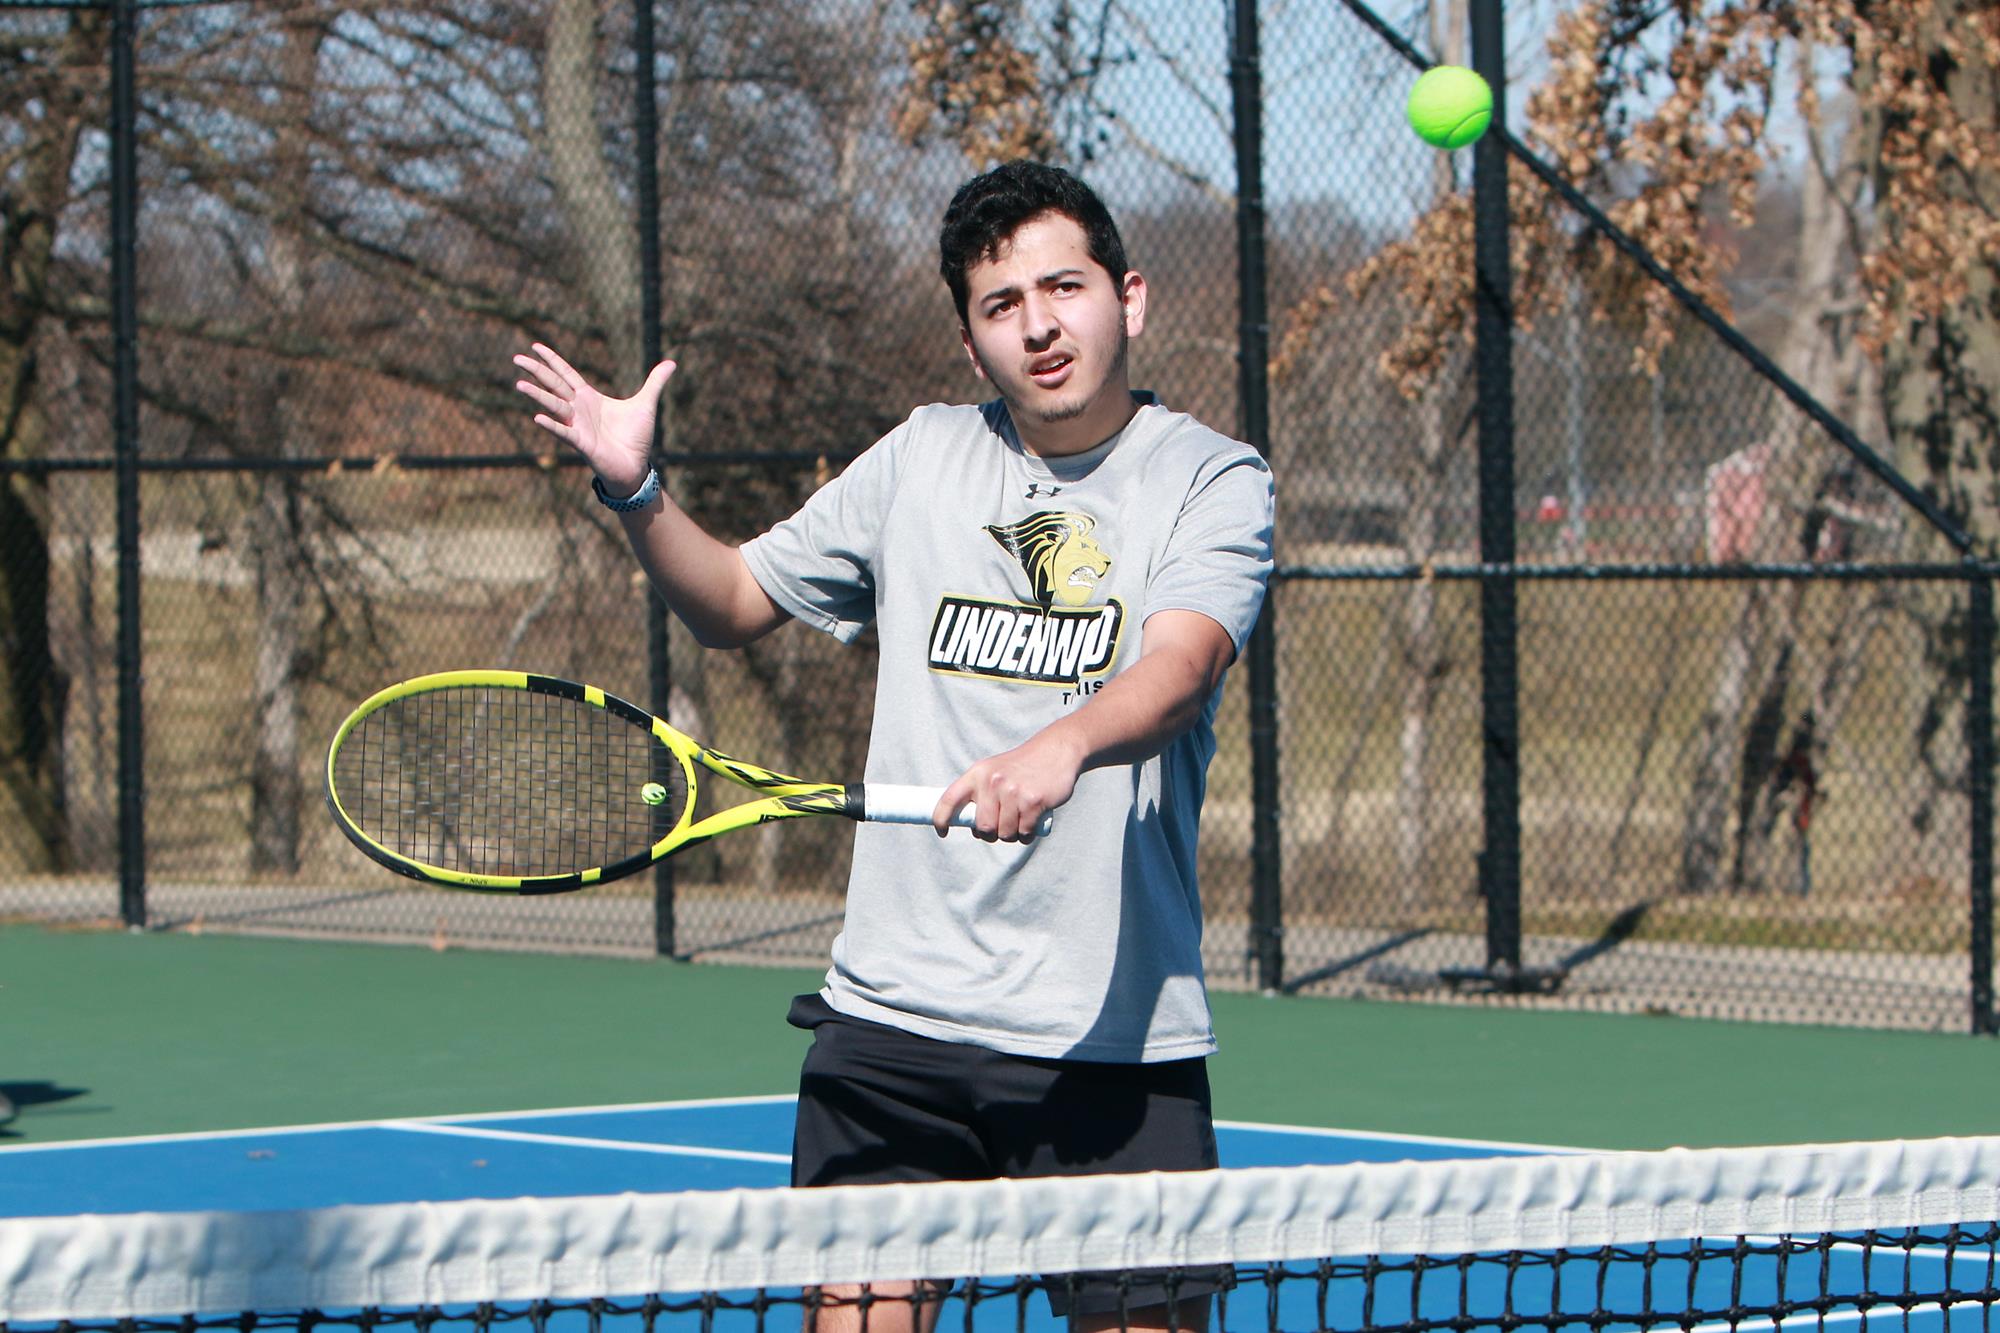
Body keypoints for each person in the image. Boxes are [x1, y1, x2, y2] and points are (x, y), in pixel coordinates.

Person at [513, 161, 1274, 1333]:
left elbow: (1178, 668)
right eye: (999, 305)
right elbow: (730, 599)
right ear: (973, 345)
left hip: (1112, 1040)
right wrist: (636, 492)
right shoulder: (919, 458)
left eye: (1061, 288)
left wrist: (1062, 746)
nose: (1039, 325)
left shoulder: (1209, 478)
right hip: (894, 1024)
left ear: (1129, 297)